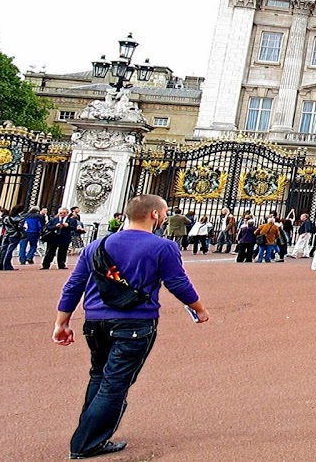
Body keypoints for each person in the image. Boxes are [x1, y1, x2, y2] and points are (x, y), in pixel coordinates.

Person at [52, 194, 209, 460]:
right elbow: (178, 284)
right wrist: (199, 309)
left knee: (100, 376)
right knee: (115, 383)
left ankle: (90, 433)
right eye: (165, 212)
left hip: (95, 322)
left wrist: (61, 322)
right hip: (135, 322)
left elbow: (74, 285)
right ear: (155, 215)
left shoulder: (96, 246)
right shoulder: (162, 247)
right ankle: (86, 443)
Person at [0, 206, 24, 272]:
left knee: (3, 250)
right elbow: (20, 227)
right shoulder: (20, 218)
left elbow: (4, 225)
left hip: (7, 234)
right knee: (10, 250)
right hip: (14, 235)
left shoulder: (6, 218)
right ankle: (6, 265)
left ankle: (0, 264)